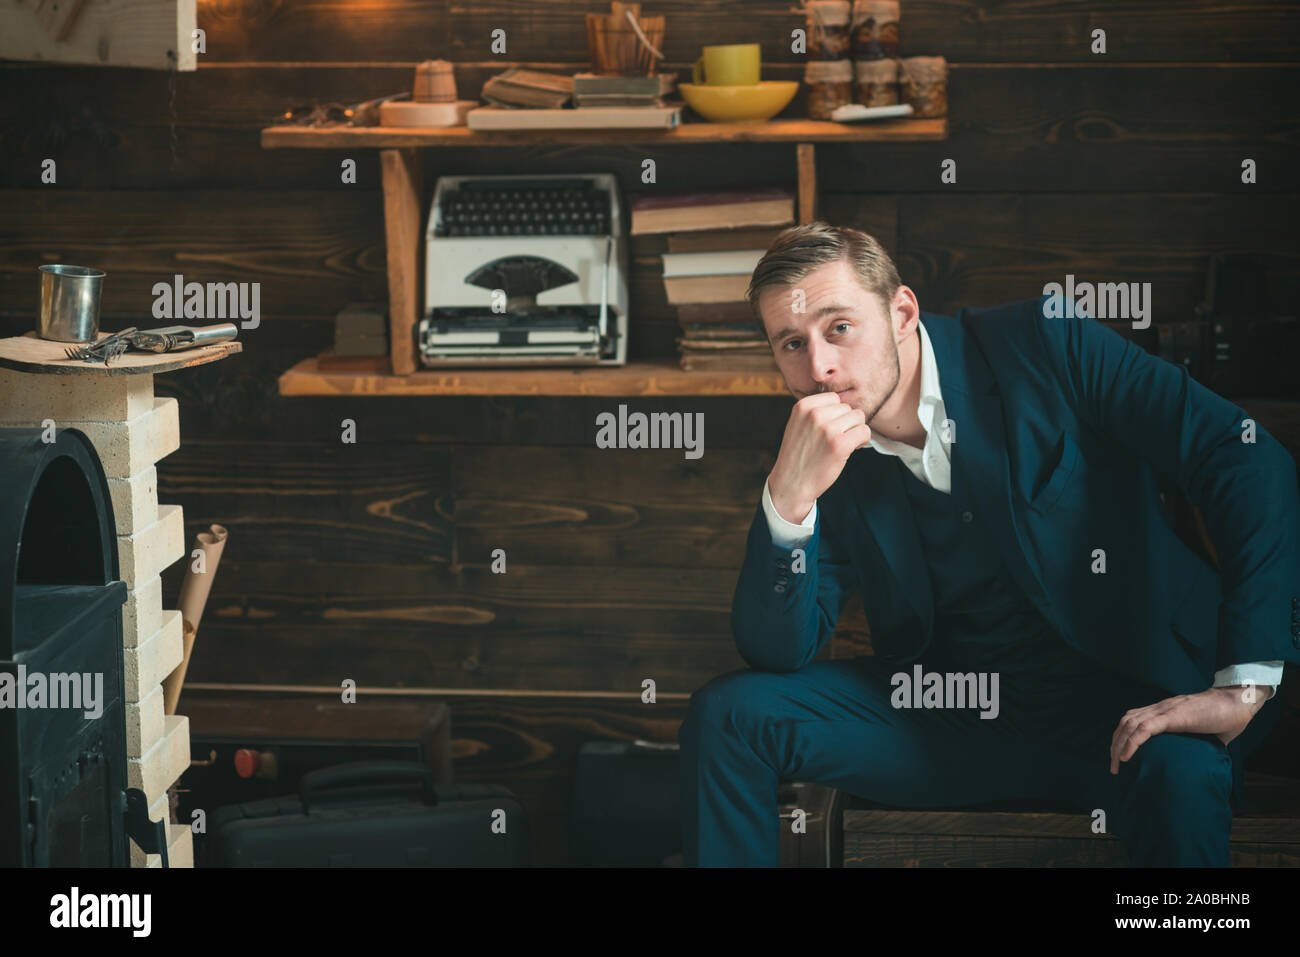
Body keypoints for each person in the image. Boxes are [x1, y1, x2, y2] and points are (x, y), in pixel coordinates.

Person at [678, 222, 1300, 867]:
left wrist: (1245, 684)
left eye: (839, 327)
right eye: (791, 343)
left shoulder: (1044, 343)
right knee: (730, 715)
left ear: (900, 312)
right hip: (957, 724)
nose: (819, 368)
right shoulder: (820, 449)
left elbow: (1243, 456)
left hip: (1145, 703)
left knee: (1182, 788)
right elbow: (777, 651)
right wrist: (789, 497)